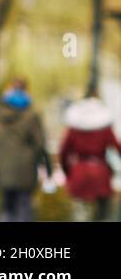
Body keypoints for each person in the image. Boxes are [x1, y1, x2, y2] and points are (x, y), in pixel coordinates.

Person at [0, 77, 51, 222]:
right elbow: (40, 145)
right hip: (27, 171)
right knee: (24, 207)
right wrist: (47, 168)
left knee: (6, 206)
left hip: (4, 170)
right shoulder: (32, 115)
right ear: (26, 91)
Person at [58, 91, 121, 221]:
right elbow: (117, 147)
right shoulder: (104, 126)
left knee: (80, 215)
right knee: (103, 216)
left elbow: (63, 152)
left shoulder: (75, 127)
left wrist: (68, 171)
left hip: (79, 173)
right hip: (101, 174)